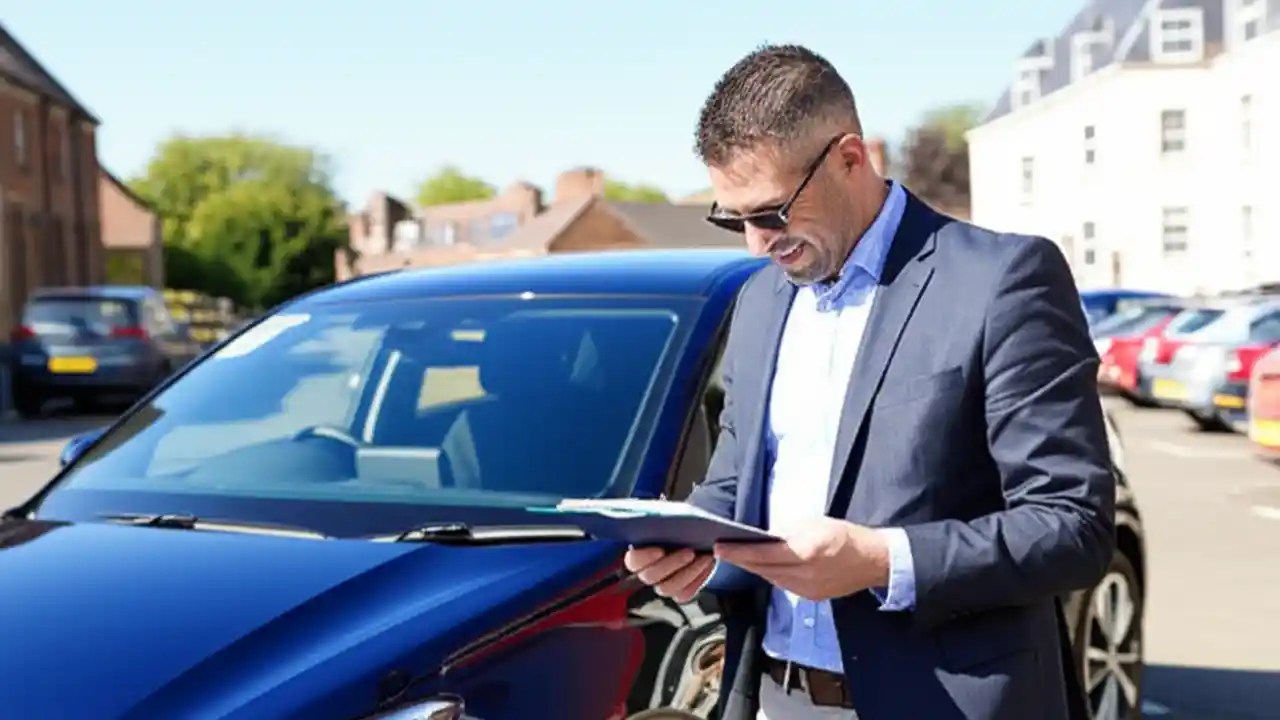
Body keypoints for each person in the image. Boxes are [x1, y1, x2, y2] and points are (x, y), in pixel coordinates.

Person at [624, 44, 1114, 720]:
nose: (756, 244)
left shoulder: (1002, 282)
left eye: (770, 213)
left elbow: (1073, 526)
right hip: (776, 698)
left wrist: (884, 559)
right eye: (733, 218)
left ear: (851, 159)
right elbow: (740, 488)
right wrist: (694, 549)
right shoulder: (762, 302)